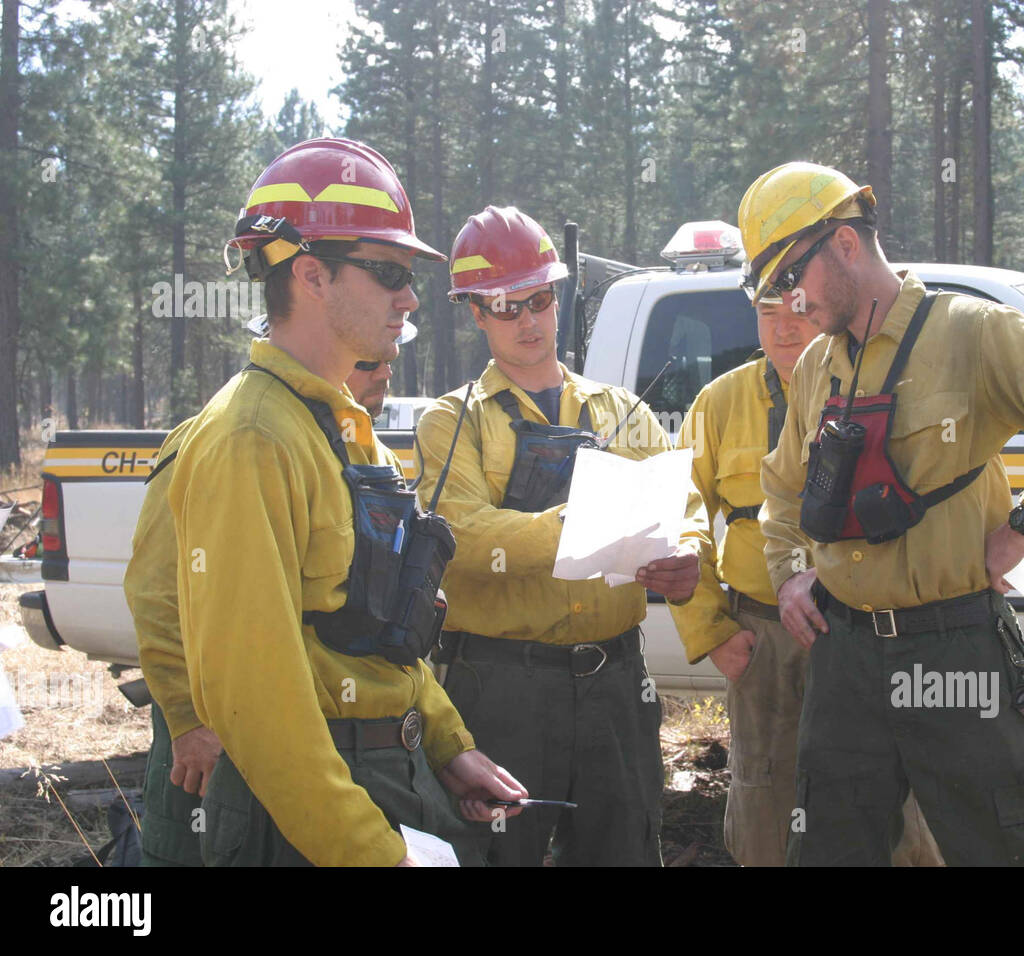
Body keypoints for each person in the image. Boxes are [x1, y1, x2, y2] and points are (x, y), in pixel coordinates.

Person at [745, 162, 1024, 866]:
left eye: (792, 278)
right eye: (774, 290)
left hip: (952, 649)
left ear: (844, 244)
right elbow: (782, 489)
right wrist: (788, 574)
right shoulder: (818, 366)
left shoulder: (970, 333)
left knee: (1018, 847)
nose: (789, 305)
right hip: (842, 658)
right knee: (827, 850)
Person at [159, 137, 526, 867]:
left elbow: (380, 639)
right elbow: (258, 700)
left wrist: (449, 748)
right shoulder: (251, 438)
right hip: (302, 816)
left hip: (383, 778)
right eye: (388, 271)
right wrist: (372, 856)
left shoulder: (345, 431)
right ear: (311, 276)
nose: (411, 296)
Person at [415, 205, 708, 866]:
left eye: (539, 300)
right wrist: (575, 527)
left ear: (558, 298)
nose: (526, 319)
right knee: (498, 855)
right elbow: (457, 531)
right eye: (504, 304)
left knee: (624, 850)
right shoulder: (452, 422)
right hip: (499, 689)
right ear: (476, 313)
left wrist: (689, 557)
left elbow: (681, 508)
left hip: (616, 684)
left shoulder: (623, 411)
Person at [671, 290, 943, 867]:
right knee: (766, 804)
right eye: (768, 313)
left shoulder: (885, 385)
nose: (785, 330)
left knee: (893, 803)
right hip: (763, 637)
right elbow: (681, 516)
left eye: (797, 309)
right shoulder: (720, 402)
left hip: (873, 636)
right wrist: (711, 631)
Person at [128, 321, 414, 867]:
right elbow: (159, 593)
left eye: (385, 363)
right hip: (209, 743)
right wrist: (189, 721)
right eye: (366, 364)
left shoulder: (358, 451)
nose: (382, 374)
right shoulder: (222, 439)